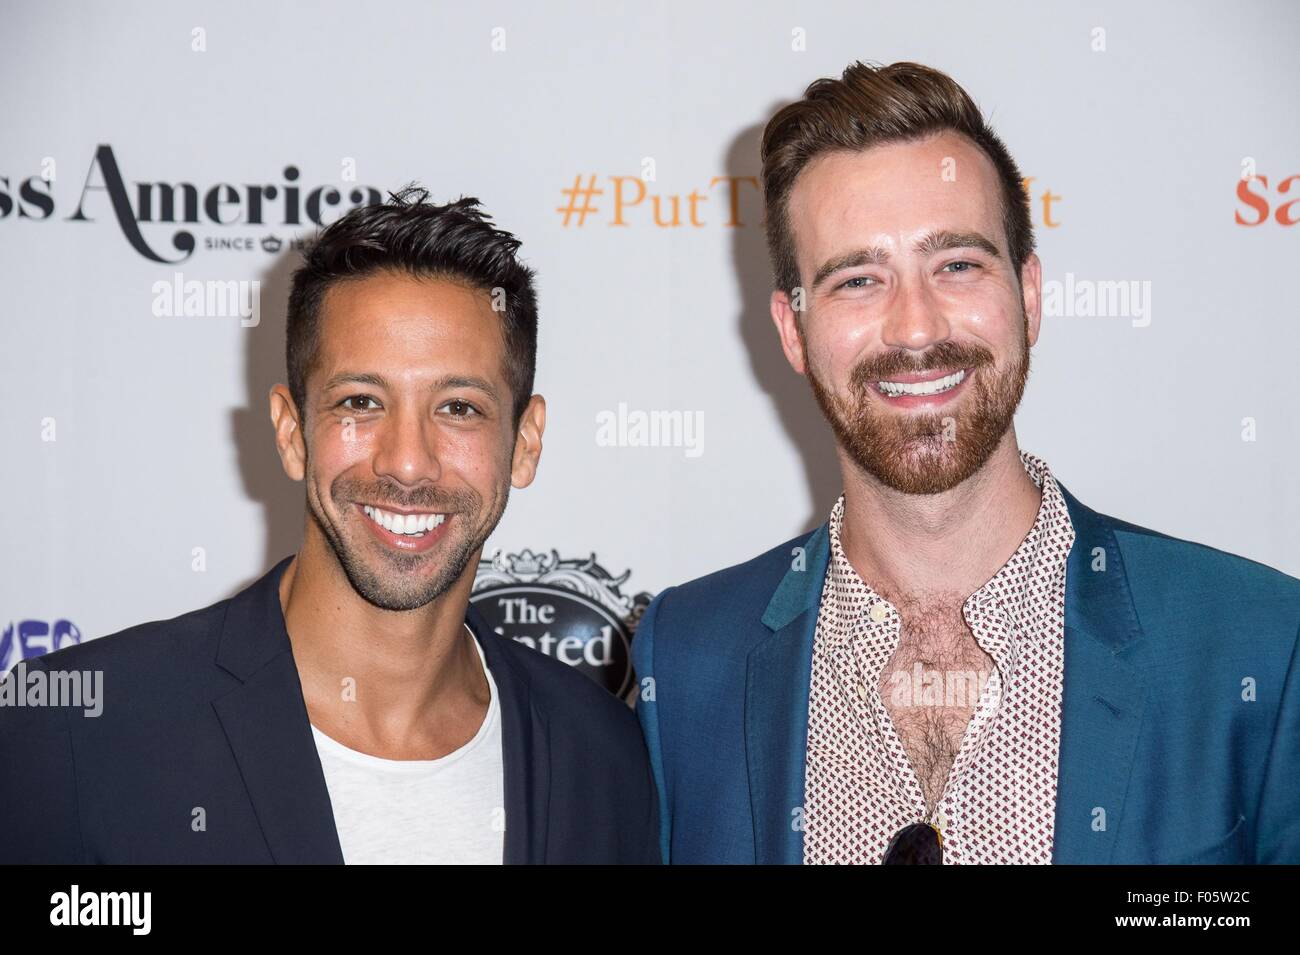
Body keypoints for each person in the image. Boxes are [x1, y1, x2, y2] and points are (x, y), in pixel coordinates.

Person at [631, 62, 1300, 864]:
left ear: (1029, 294)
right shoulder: (689, 659)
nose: (916, 328)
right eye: (857, 278)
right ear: (792, 330)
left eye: (957, 265)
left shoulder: (1256, 643)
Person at [0, 186, 659, 864]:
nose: (407, 462)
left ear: (524, 443)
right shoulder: (78, 731)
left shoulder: (603, 758)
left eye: (458, 407)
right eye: (361, 401)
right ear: (291, 432)